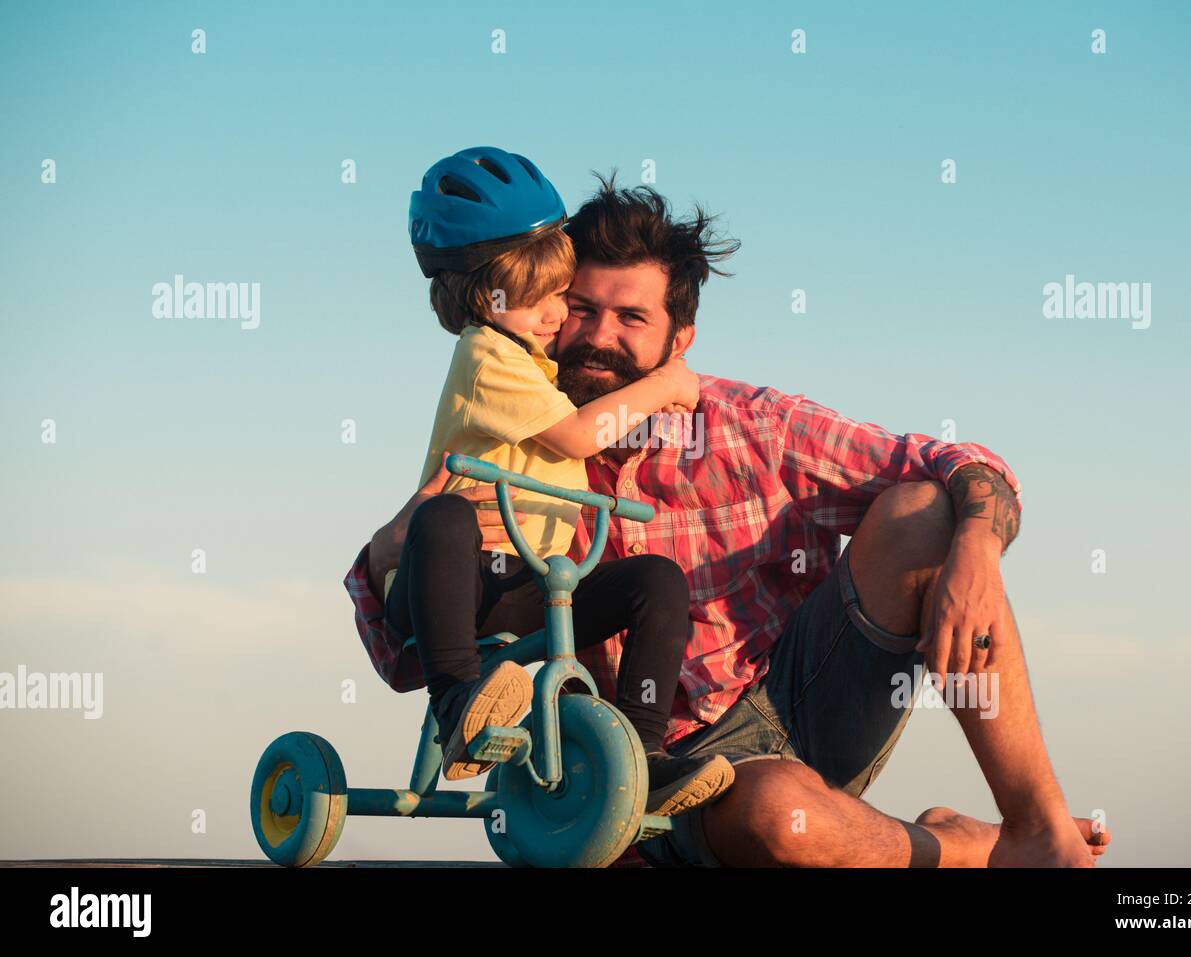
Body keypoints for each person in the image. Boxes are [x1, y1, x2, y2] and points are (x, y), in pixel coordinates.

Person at [352, 171, 1112, 867]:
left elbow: (959, 463)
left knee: (923, 511)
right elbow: (403, 662)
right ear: (547, 308)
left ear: (680, 341)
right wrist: (397, 542)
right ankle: (960, 846)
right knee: (778, 813)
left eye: (631, 318)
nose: (597, 335)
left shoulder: (754, 424)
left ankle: (1036, 828)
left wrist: (975, 550)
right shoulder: (515, 445)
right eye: (580, 308)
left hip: (800, 702)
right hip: (660, 775)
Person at [383, 147, 733, 816]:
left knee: (657, 581)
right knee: (446, 518)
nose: (554, 316)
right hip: (448, 588)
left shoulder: (539, 369)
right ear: (480, 301)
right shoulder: (487, 356)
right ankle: (458, 700)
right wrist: (665, 384)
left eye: (557, 296)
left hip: (524, 586)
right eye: (539, 299)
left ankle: (640, 751)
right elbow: (577, 436)